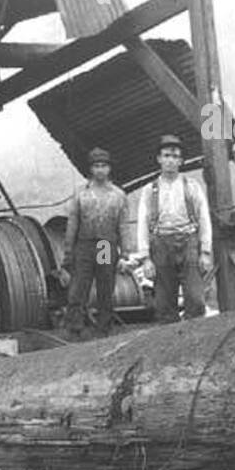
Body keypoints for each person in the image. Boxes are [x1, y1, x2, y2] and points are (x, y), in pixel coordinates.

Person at [136, 135, 212, 324]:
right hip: (161, 245)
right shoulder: (149, 190)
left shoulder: (192, 186)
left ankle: (196, 340)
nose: (170, 160)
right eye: (166, 155)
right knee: (164, 303)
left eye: (175, 156)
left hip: (189, 243)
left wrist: (205, 252)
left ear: (181, 161)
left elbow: (204, 218)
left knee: (195, 299)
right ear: (159, 159)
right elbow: (142, 224)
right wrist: (145, 259)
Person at [60, 148, 128, 338]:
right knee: (79, 287)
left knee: (105, 286)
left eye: (104, 166)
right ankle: (75, 328)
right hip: (84, 244)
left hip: (105, 245)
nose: (100, 170)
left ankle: (104, 328)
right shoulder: (81, 193)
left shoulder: (118, 195)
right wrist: (68, 251)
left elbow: (123, 225)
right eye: (96, 166)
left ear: (109, 169)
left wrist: (125, 254)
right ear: (91, 169)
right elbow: (73, 222)